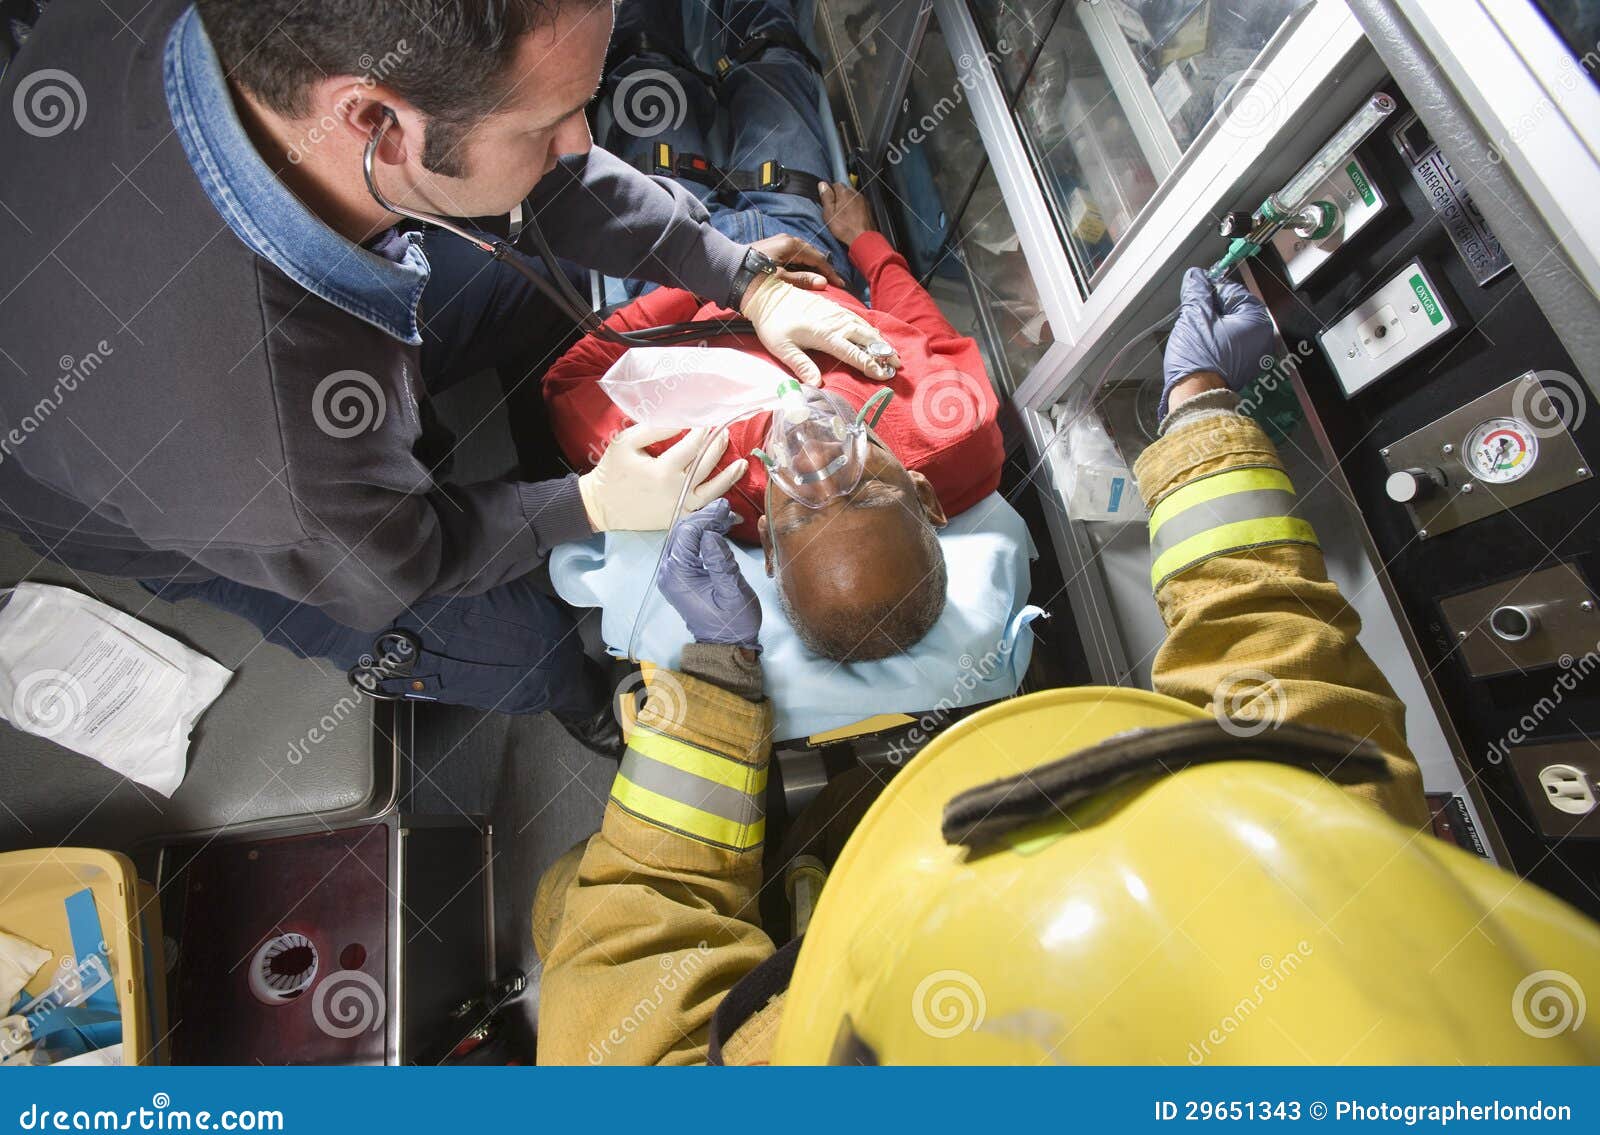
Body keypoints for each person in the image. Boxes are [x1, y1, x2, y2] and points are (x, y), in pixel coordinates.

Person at [529, 271, 1600, 1064]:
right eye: (816, 494)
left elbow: (630, 948)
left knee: (562, 893)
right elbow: (1291, 695)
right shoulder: (1405, 982)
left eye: (830, 491)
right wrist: (1198, 412)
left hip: (838, 913)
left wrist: (710, 679)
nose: (816, 458)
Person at [0, 0, 897, 751]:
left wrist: (746, 277)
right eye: (550, 124)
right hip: (153, 486)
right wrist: (586, 505)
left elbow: (542, 184)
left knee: (525, 277)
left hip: (212, 331)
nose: (582, 141)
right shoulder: (266, 451)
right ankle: (585, 705)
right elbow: (393, 565)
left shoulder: (303, 59)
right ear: (375, 121)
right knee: (523, 641)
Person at [545, 3, 1005, 660]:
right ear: (923, 496)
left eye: (804, 510)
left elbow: (570, 379)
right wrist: (869, 242)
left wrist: (718, 277)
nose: (820, 459)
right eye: (863, 489)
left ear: (765, 542)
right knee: (774, 58)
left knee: (645, 65)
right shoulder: (959, 431)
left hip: (673, 264)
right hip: (809, 241)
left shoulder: (687, 473)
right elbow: (920, 331)